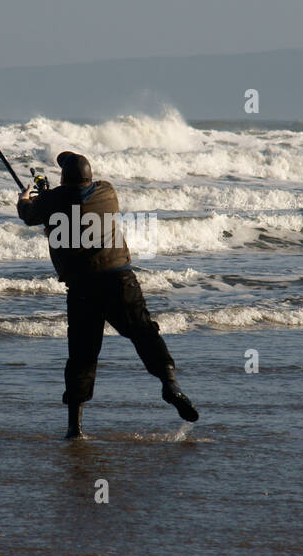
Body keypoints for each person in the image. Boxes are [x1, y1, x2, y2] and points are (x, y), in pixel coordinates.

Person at [17, 151, 199, 439]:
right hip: (121, 280)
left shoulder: (52, 201)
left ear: (64, 179)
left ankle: (74, 428)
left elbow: (30, 215)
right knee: (145, 333)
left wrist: (27, 198)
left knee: (82, 356)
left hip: (83, 288)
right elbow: (74, 201)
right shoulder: (107, 191)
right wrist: (53, 196)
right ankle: (171, 385)